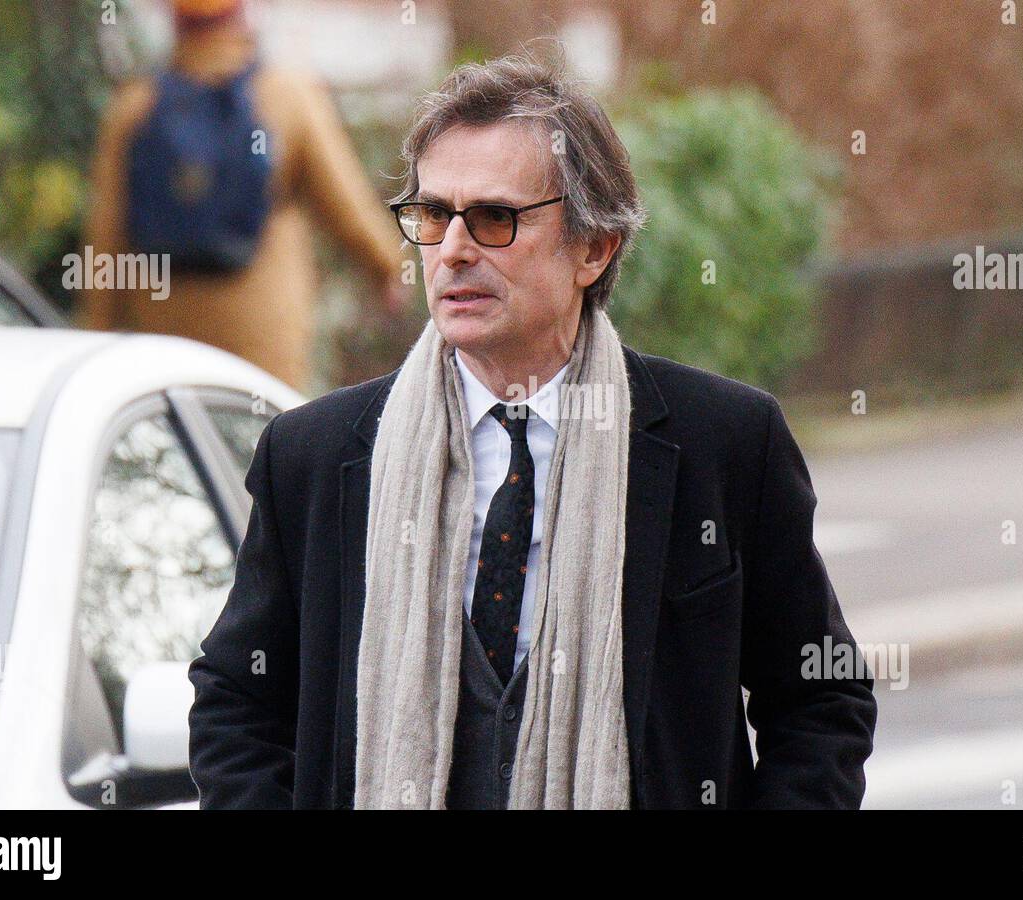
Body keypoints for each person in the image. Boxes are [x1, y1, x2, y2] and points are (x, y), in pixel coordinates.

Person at [187, 51, 876, 809]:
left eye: (493, 218)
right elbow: (236, 704)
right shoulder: (314, 457)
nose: (452, 250)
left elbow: (820, 698)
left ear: (593, 247)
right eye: (432, 215)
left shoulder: (726, 444)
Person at [75, 0, 405, 392]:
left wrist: (95, 331)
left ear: (175, 20)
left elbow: (106, 235)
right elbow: (346, 204)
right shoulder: (286, 95)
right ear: (243, 14)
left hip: (165, 333)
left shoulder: (133, 107)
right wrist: (389, 267)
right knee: (272, 443)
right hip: (264, 332)